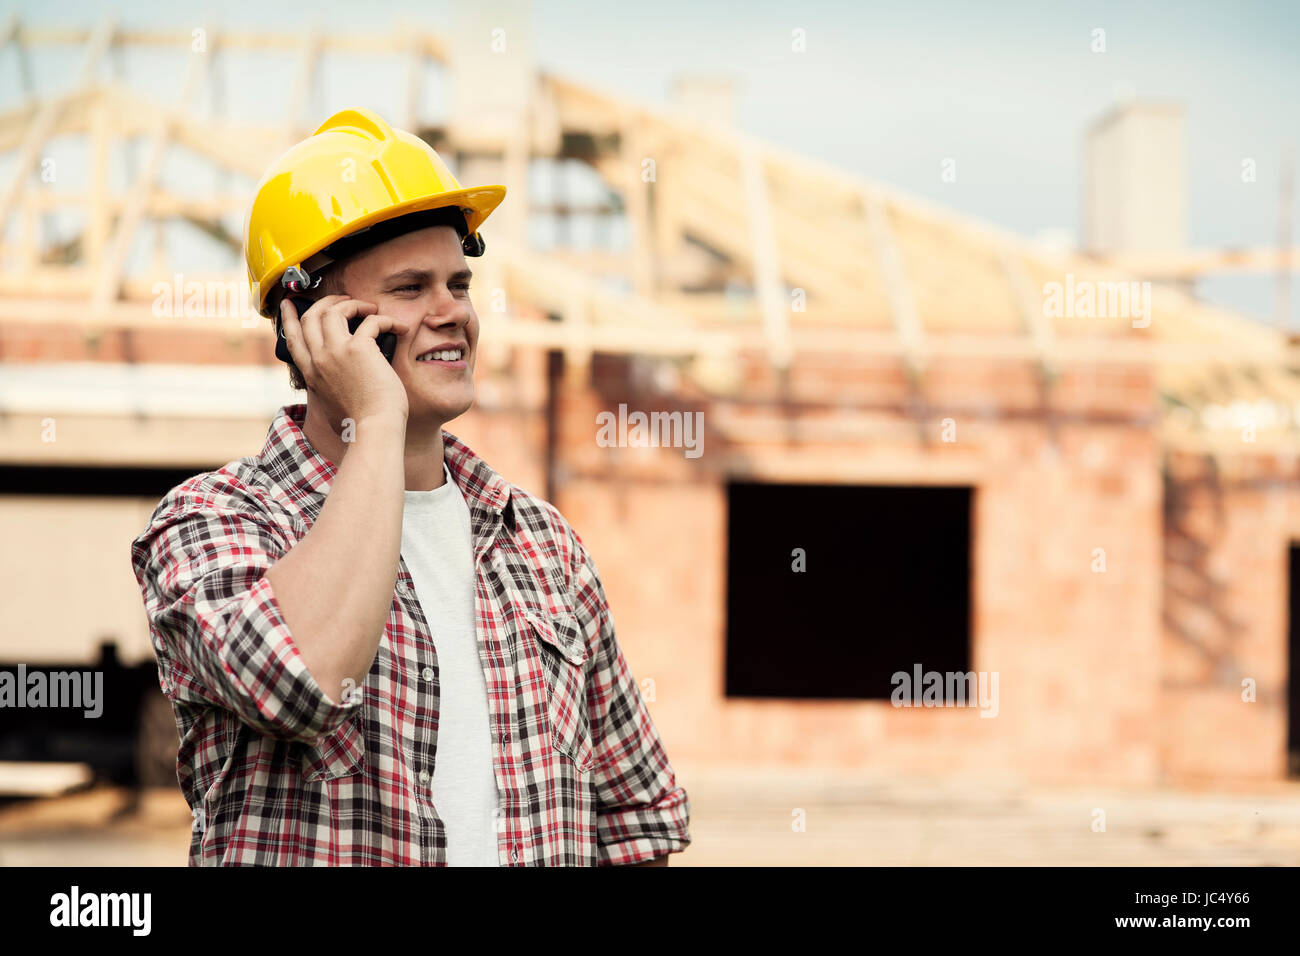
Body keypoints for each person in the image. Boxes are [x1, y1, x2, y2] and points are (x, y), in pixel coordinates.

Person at [130, 107, 690, 866]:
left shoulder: (542, 544)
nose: (451, 311)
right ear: (305, 322)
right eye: (410, 287)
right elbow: (304, 678)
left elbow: (639, 818)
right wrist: (377, 415)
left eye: (459, 283)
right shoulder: (212, 522)